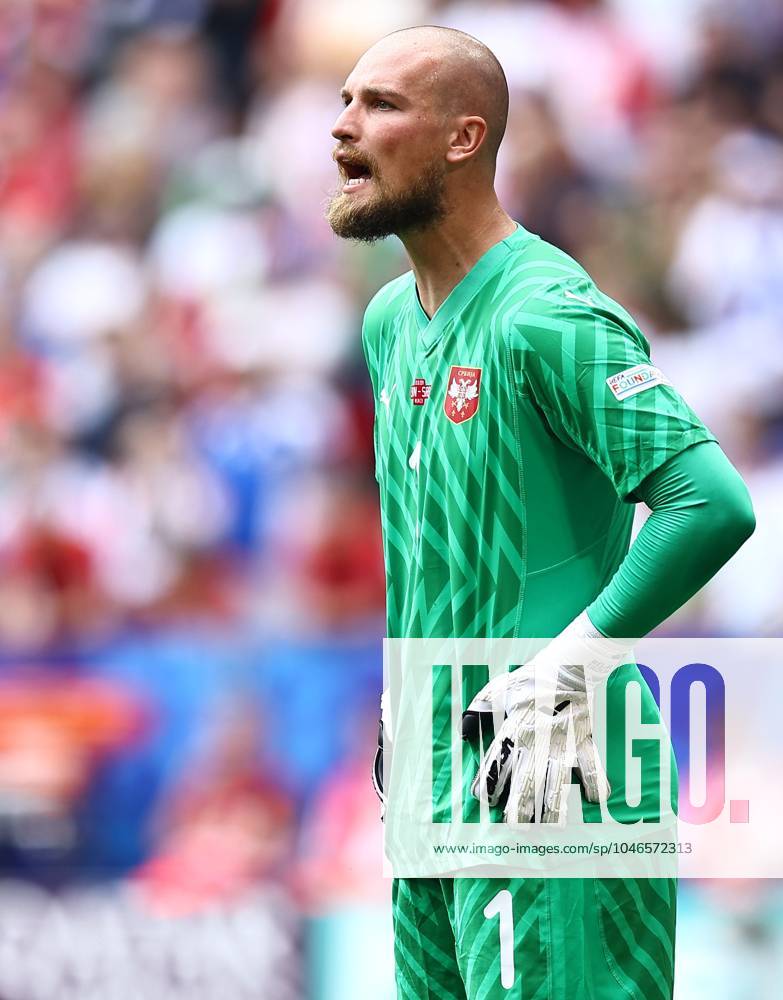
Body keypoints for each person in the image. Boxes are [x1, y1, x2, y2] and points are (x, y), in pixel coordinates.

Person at [327, 25, 755, 1000]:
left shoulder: (546, 311)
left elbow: (710, 501)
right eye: (346, 102)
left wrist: (567, 666)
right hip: (435, 761)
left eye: (382, 105)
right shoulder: (390, 320)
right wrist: (402, 700)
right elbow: (430, 544)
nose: (344, 128)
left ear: (464, 139)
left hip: (560, 761)